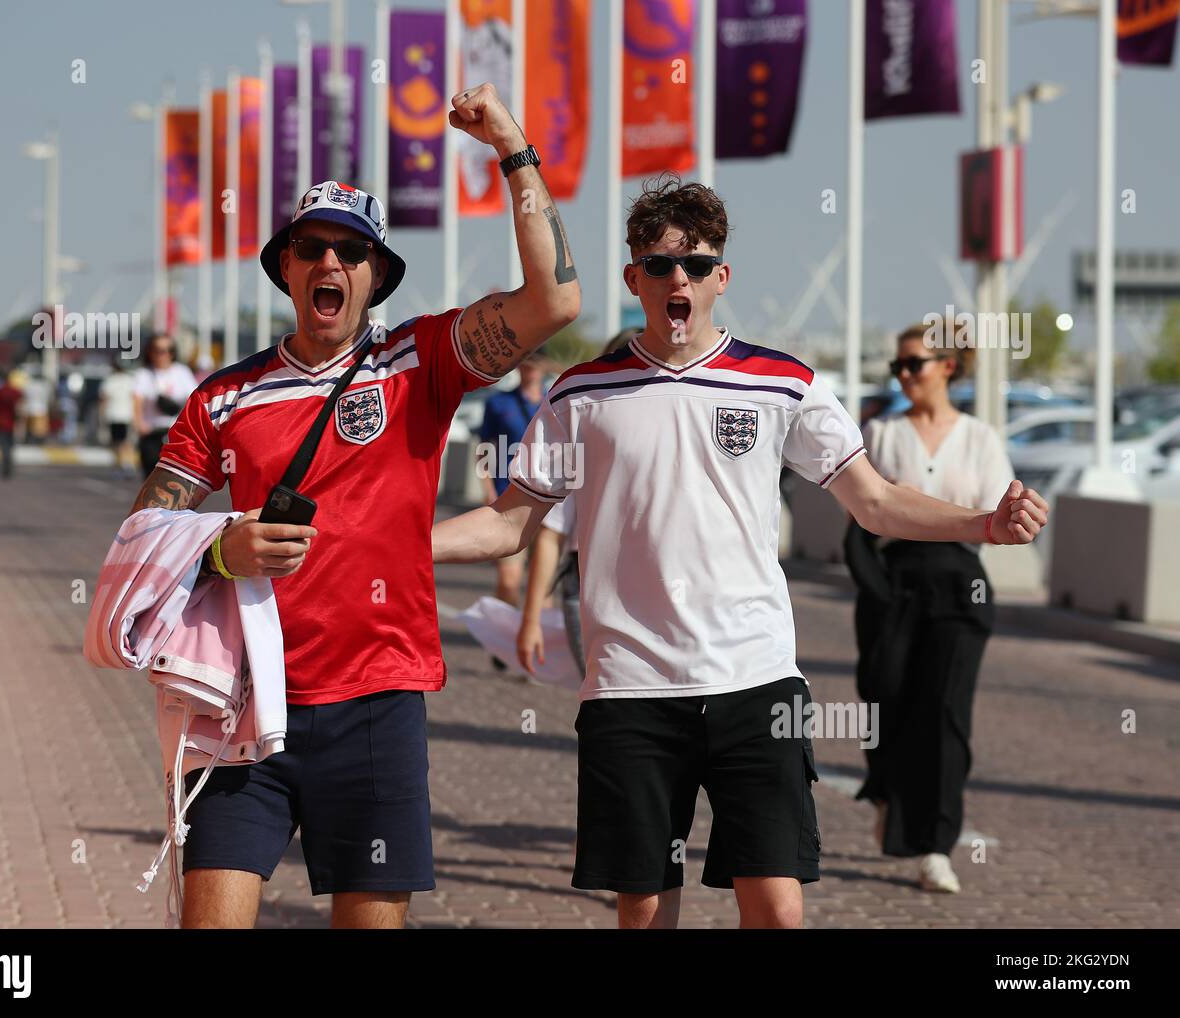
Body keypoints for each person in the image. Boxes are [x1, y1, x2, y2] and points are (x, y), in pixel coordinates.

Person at [431, 174, 1048, 929]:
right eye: (659, 266)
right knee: (648, 908)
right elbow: (510, 523)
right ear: (634, 280)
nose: (677, 280)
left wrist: (985, 523)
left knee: (778, 906)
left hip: (755, 682)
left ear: (722, 277)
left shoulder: (783, 384)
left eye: (695, 265)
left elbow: (876, 499)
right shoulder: (579, 394)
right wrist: (391, 543)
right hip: (631, 687)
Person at [122, 81, 580, 929]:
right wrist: (225, 549)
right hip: (242, 707)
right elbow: (142, 538)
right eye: (312, 247)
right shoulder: (222, 398)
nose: (330, 263)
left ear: (374, 275)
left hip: (375, 703)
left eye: (351, 251)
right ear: (287, 267)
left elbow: (555, 301)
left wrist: (511, 144)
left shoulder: (424, 359)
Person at [846, 325, 1016, 894]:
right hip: (893, 582)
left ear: (947, 366)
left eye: (914, 364)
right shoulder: (882, 432)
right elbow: (860, 526)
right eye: (897, 367)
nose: (904, 376)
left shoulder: (980, 439)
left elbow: (997, 517)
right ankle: (889, 794)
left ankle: (936, 845)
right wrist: (877, 591)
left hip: (960, 584)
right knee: (886, 696)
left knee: (945, 713)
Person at [517, 330, 638, 681]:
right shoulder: (580, 436)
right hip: (587, 588)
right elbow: (550, 536)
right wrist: (531, 619)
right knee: (607, 700)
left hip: (658, 592)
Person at [477, 352, 547, 615]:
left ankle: (532, 648)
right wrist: (487, 489)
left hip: (548, 503)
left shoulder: (554, 402)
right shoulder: (498, 403)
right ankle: (504, 645)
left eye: (536, 365)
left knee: (543, 589)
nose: (531, 370)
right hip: (508, 499)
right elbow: (484, 448)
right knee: (509, 580)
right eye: (526, 363)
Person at [133, 334, 197, 477]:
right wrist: (139, 423)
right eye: (158, 350)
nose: (163, 355)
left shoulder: (182, 372)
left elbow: (194, 399)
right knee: (151, 477)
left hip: (176, 433)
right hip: (152, 433)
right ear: (150, 352)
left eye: (168, 350)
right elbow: (137, 399)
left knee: (175, 478)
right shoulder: (144, 374)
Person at [100, 358, 137, 476]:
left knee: (117, 442)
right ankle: (125, 465)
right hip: (124, 416)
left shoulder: (110, 381)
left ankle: (122, 465)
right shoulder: (131, 380)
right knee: (125, 442)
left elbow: (103, 400)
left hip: (116, 415)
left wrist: (101, 416)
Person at [0, 368, 23, 480]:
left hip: (0, 422)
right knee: (10, 446)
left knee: (4, 447)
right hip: (12, 423)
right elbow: (20, 405)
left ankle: (5, 468)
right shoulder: (15, 391)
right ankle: (8, 467)